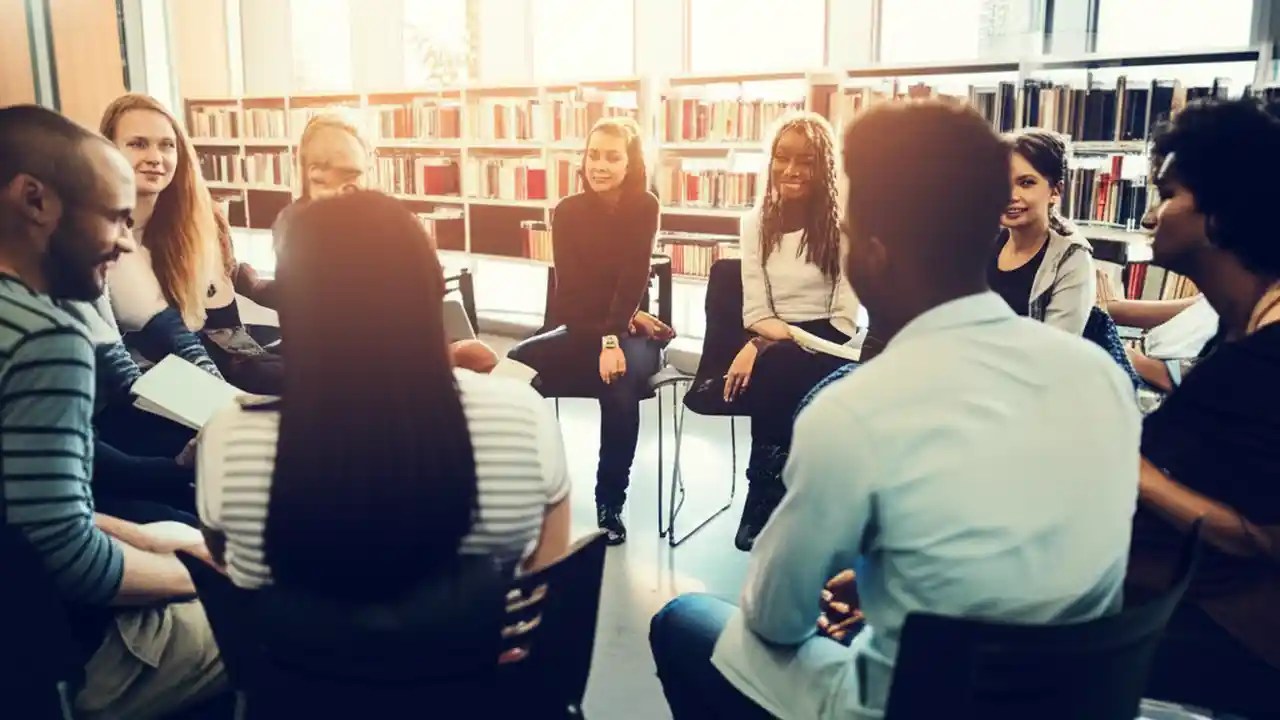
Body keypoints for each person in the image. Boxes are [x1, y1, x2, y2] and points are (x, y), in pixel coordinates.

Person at [650, 101, 1140, 720]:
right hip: (1064, 697)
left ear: (873, 252)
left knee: (683, 618)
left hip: (909, 704)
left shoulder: (853, 411)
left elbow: (776, 621)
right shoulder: (1100, 376)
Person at [197, 191, 571, 595]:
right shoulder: (522, 419)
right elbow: (545, 587)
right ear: (431, 293)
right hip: (473, 655)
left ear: (293, 308)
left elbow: (235, 584)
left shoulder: (228, 439)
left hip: (300, 658)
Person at [0, 104, 225, 719]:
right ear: (35, 201)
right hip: (45, 663)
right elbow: (68, 561)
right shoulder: (46, 336)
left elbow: (26, 511)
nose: (127, 241)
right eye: (115, 219)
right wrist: (207, 576)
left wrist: (158, 540)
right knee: (280, 623)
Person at [1127, 97, 1280, 719]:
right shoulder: (1239, 334)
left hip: (1243, 639)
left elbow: (1265, 538)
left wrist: (1121, 462)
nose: (1150, 214)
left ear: (1218, 213)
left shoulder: (1267, 358)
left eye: (1167, 193)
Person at [505, 116, 668, 545]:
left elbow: (632, 277)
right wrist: (613, 328)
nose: (599, 165)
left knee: (617, 387)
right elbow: (572, 297)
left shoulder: (645, 206)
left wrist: (620, 329)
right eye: (593, 154)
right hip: (584, 328)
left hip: (627, 334)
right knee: (514, 373)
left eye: (612, 157)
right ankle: (518, 492)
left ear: (630, 162)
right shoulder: (568, 211)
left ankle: (609, 503)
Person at [235, 113, 498, 373]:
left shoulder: (389, 225)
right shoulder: (295, 230)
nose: (337, 189)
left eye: (349, 176)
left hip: (405, 343)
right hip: (363, 361)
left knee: (488, 357)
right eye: (321, 172)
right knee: (479, 356)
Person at [723, 111, 860, 551]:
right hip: (778, 350)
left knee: (776, 364)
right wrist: (763, 339)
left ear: (824, 167)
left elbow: (843, 320)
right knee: (779, 367)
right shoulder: (754, 223)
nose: (791, 170)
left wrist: (762, 344)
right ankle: (775, 495)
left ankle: (761, 493)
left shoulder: (845, 227)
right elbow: (755, 311)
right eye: (782, 158)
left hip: (833, 347)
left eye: (805, 161)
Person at [99, 93, 283, 395]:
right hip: (149, 384)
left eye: (167, 145)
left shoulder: (196, 223)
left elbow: (226, 333)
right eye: (137, 144)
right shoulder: (96, 237)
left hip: (214, 364)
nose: (155, 158)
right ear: (107, 152)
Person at [991, 129, 1096, 333]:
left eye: (1026, 183)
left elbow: (1055, 350)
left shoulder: (1072, 259)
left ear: (1055, 191)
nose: (1010, 195)